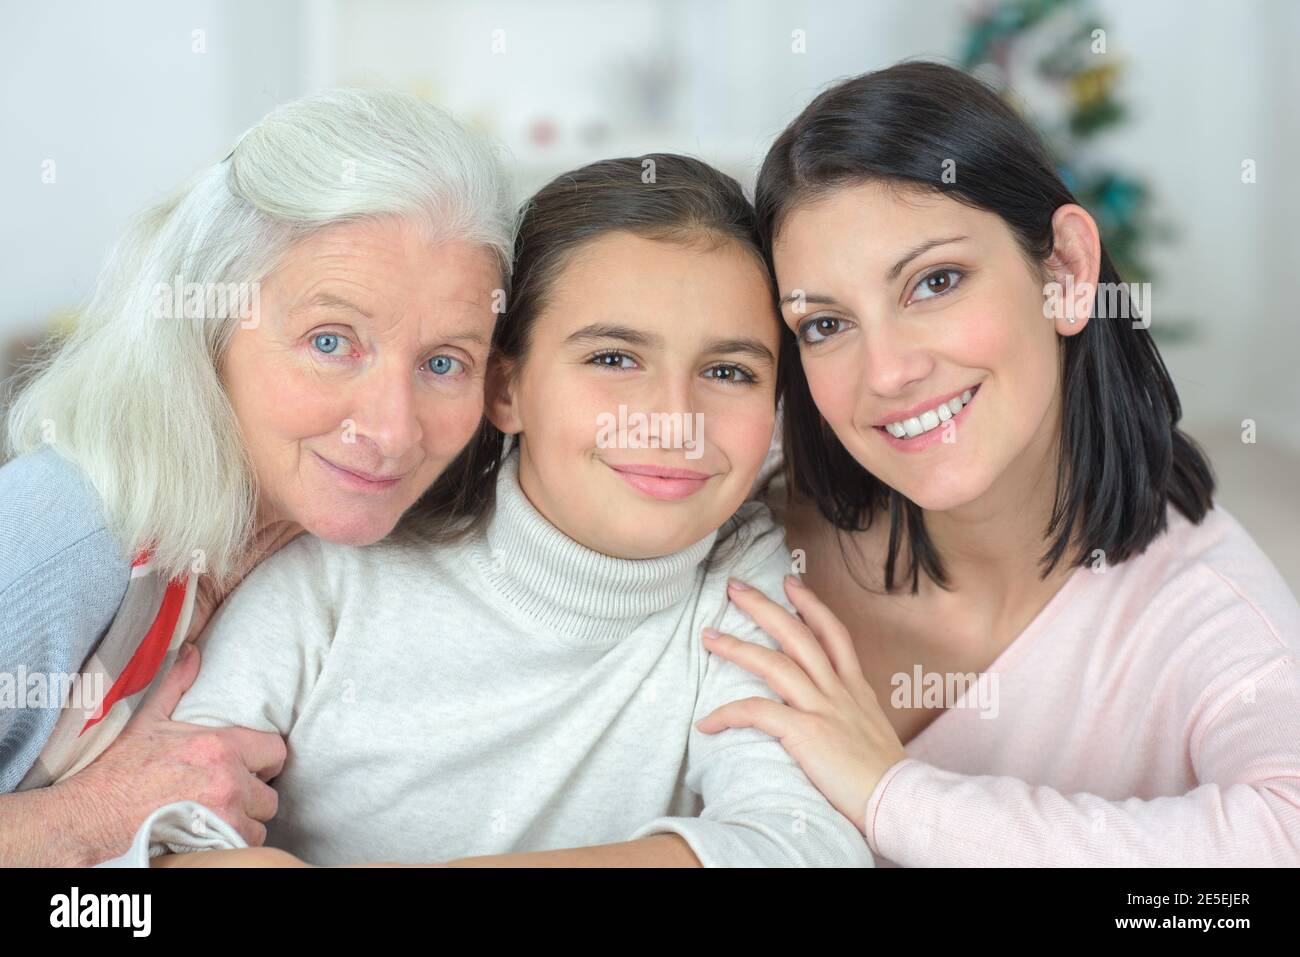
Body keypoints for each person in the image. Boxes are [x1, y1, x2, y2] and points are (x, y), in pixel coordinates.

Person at [135, 155, 872, 867]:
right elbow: (164, 839)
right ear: (505, 388)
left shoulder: (744, 580)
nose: (672, 420)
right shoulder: (331, 576)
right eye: (614, 358)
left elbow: (804, 844)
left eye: (727, 371)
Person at [696, 60, 1300, 866]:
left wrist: (894, 795)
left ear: (1066, 272)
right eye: (826, 325)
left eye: (934, 282)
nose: (887, 372)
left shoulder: (1206, 607)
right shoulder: (744, 522)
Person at [0, 88, 514, 866]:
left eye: (445, 363)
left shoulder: (333, 545)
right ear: (206, 330)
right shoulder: (63, 535)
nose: (391, 429)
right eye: (331, 341)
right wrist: (90, 812)